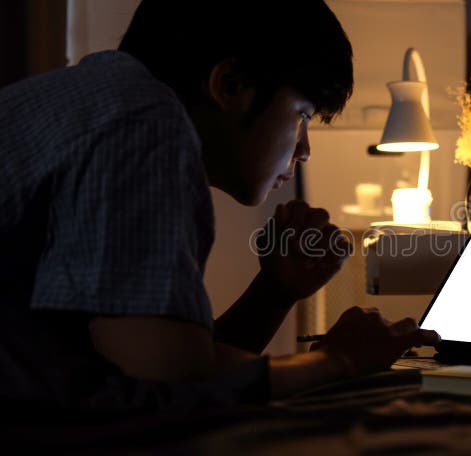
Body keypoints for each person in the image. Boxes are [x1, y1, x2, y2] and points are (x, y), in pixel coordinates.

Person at [0, 0, 439, 414]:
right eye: (303, 114)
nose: (304, 149)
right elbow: (169, 381)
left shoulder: (105, 101)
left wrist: (275, 291)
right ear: (230, 86)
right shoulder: (141, 121)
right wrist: (340, 361)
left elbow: (163, 358)